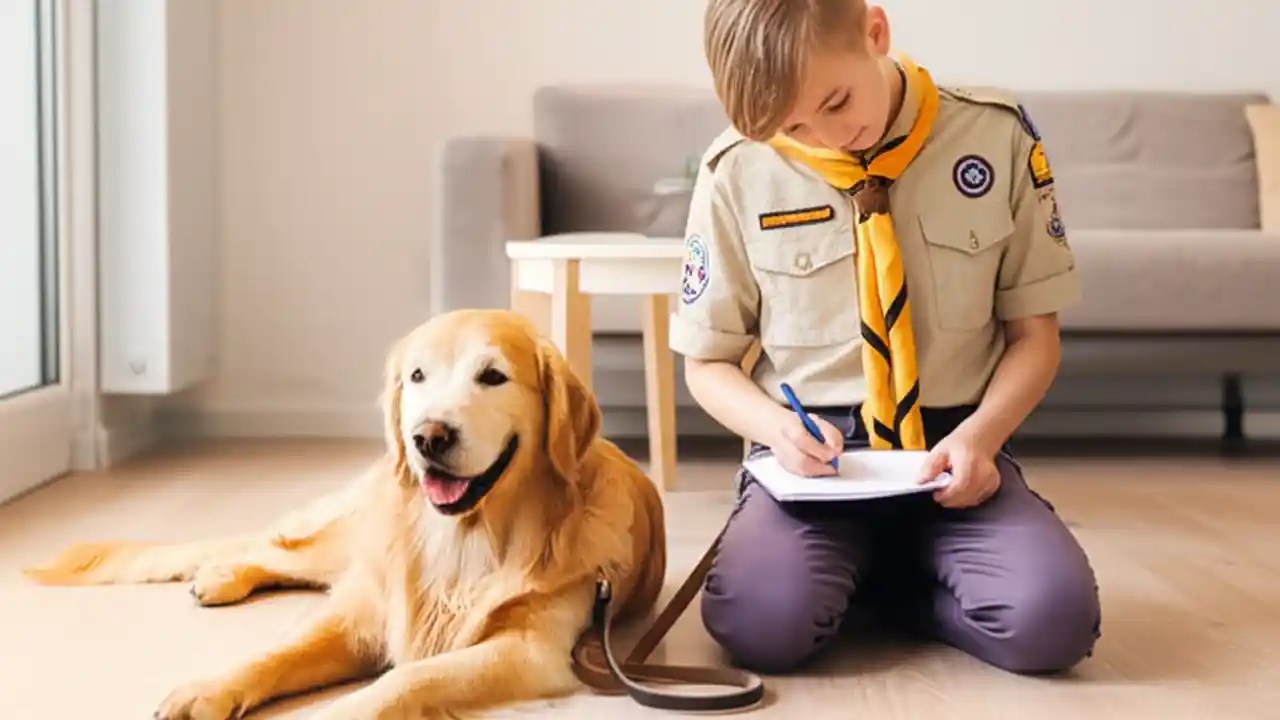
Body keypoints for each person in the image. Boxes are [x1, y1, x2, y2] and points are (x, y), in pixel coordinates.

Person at [669, 0, 1101, 675]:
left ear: (876, 33)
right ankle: (861, 573)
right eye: (794, 126)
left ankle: (882, 590)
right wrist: (777, 430)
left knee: (1053, 625)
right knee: (758, 624)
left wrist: (982, 441)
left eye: (836, 102)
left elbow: (1034, 340)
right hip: (817, 458)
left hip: (957, 451)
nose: (823, 138)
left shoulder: (995, 136)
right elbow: (708, 364)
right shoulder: (738, 168)